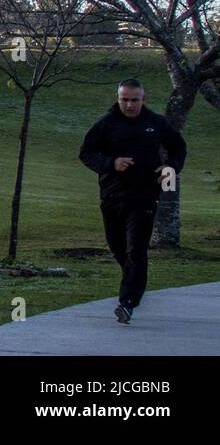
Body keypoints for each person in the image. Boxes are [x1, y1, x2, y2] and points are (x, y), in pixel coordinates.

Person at [78, 78, 186, 324]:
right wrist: (111, 163)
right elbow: (86, 153)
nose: (129, 105)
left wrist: (170, 167)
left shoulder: (155, 123)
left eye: (134, 100)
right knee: (118, 248)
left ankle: (127, 302)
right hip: (112, 196)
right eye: (124, 99)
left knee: (135, 250)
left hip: (144, 196)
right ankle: (134, 280)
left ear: (143, 100)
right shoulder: (106, 124)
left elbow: (178, 147)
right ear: (118, 99)